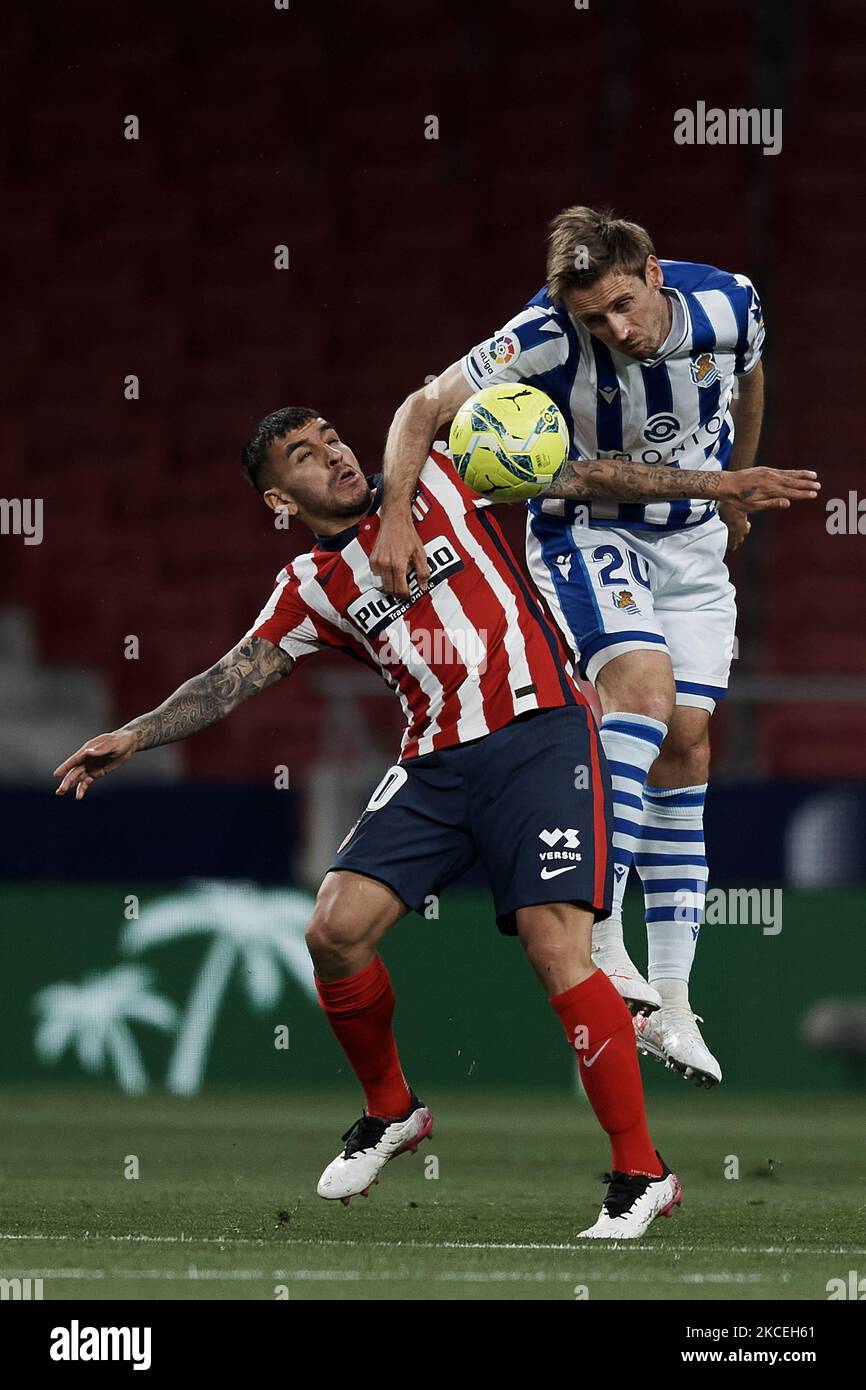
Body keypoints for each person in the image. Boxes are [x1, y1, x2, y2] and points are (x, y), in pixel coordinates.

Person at [53, 407, 815, 1235]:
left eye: (331, 437)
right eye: (303, 457)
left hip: (544, 735)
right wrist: (134, 733)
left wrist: (721, 482)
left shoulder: (449, 473)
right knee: (332, 931)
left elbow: (583, 476)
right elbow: (230, 676)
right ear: (278, 501)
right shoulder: (309, 588)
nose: (334, 454)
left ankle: (641, 1173)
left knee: (555, 943)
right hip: (435, 766)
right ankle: (394, 1110)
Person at [370, 206, 814, 1087]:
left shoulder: (730, 303)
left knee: (687, 745)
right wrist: (393, 518)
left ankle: (677, 1006)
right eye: (592, 319)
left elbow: (748, 381)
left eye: (621, 306)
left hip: (691, 542)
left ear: (652, 271)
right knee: (640, 696)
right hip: (588, 532)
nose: (616, 330)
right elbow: (421, 408)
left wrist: (729, 496)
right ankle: (604, 942)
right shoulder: (538, 334)